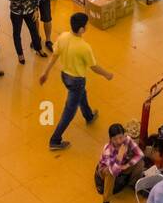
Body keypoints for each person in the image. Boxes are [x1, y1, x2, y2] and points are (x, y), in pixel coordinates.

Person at [41, 12, 112, 151]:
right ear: (81, 29)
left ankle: (89, 116)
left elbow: (55, 55)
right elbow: (94, 67)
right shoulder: (84, 47)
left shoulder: (63, 37)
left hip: (65, 77)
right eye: (86, 25)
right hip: (77, 80)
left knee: (82, 94)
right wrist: (107, 74)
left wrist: (46, 72)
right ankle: (55, 140)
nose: (87, 27)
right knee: (69, 111)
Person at [95, 123, 145, 203]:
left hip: (122, 166)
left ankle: (133, 184)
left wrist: (127, 165)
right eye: (115, 139)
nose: (119, 141)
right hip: (106, 170)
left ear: (124, 135)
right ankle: (106, 202)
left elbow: (140, 154)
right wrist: (120, 156)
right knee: (110, 174)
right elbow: (114, 171)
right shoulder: (108, 150)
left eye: (121, 137)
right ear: (110, 139)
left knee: (140, 163)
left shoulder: (128, 140)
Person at [6, 0, 45, 64]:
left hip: (29, 10)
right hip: (16, 12)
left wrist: (36, 9)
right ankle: (20, 54)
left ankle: (38, 49)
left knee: (34, 31)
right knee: (16, 33)